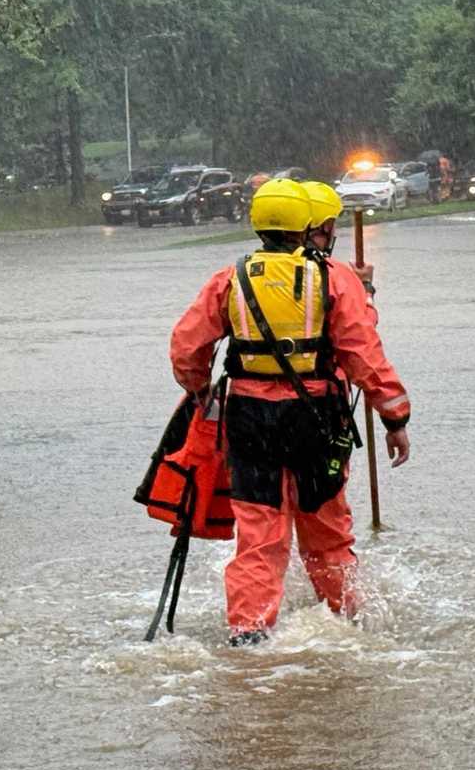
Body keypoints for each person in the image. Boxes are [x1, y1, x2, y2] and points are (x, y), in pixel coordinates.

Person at [169, 178, 411, 646]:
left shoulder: (229, 280)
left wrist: (202, 392)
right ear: (305, 225)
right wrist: (394, 416)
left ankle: (250, 633)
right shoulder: (333, 278)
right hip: (316, 420)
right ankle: (348, 622)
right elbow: (364, 353)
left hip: (249, 419)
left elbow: (185, 349)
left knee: (258, 534)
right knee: (326, 531)